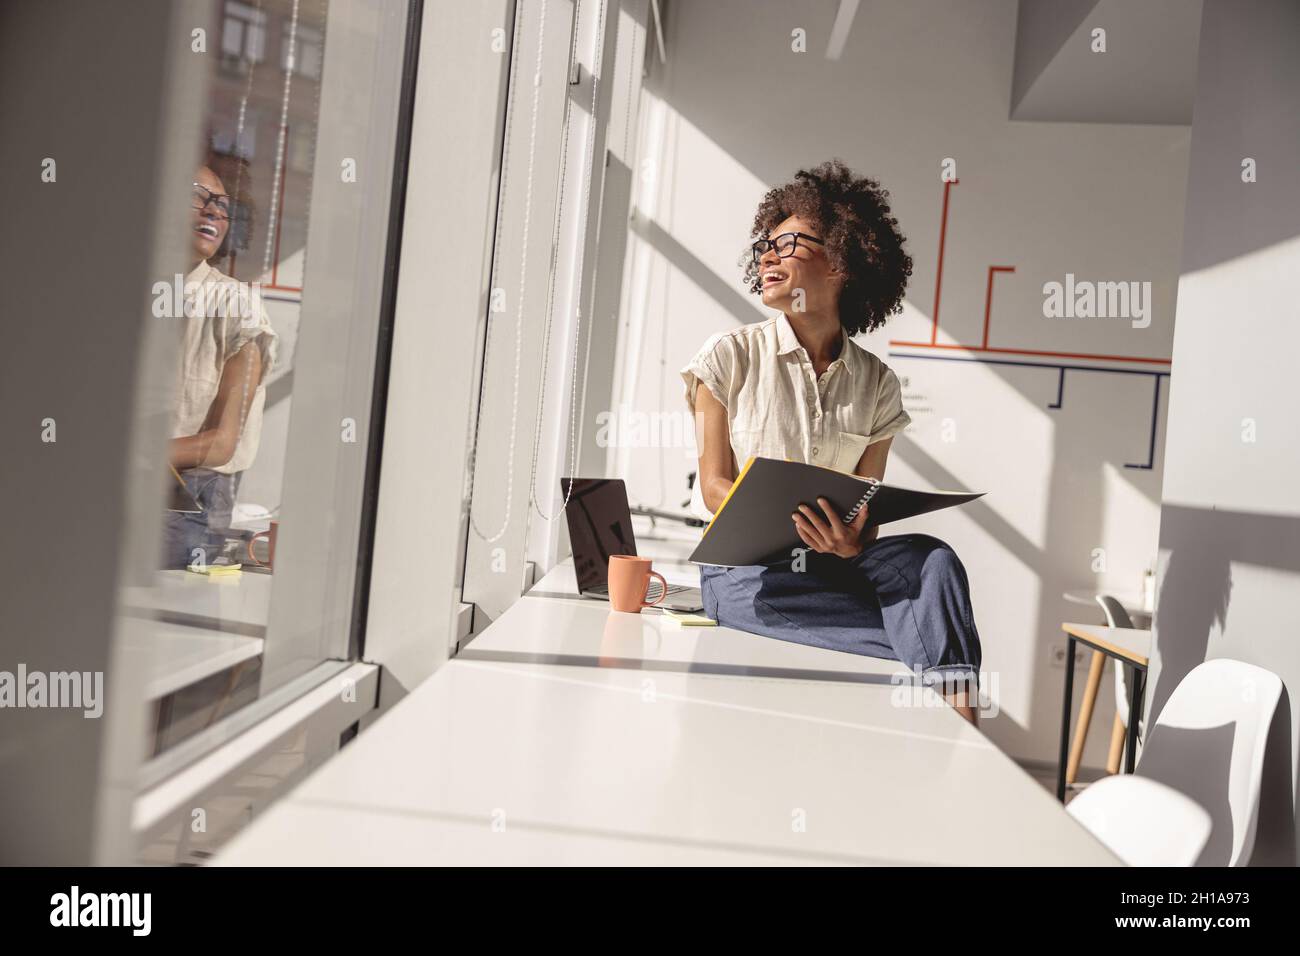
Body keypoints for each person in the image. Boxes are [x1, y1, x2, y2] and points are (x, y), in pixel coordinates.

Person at [682, 160, 981, 722]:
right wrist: (773, 520)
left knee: (932, 559)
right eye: (763, 248)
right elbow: (715, 485)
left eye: (789, 243)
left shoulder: (878, 385)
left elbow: (865, 503)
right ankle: (964, 727)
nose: (768, 257)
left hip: (835, 567)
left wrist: (852, 539)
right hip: (751, 575)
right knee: (921, 636)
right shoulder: (726, 358)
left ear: (842, 260)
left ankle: (953, 715)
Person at [162, 155, 278, 569]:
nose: (214, 209)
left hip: (187, 499)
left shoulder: (238, 306)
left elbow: (221, 442)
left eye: (224, 205)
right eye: (198, 196)